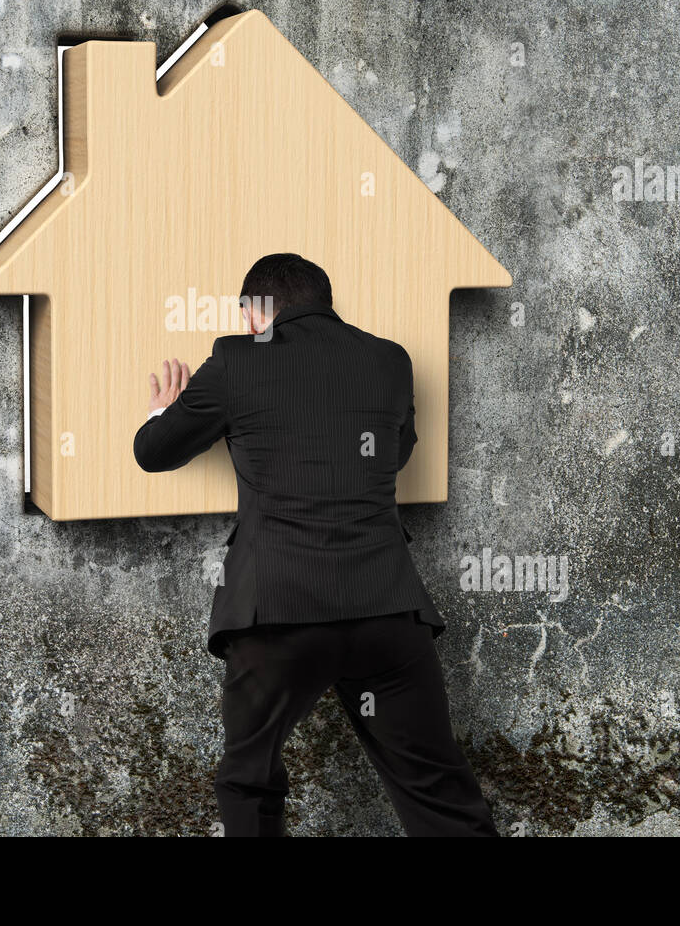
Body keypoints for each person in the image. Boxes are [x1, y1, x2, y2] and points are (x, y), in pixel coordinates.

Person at [133, 252, 497, 837]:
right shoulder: (388, 360)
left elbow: (154, 452)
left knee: (250, 783)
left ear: (254, 314)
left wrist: (164, 411)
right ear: (326, 304)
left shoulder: (233, 360)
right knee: (437, 789)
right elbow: (396, 455)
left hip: (278, 613)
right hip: (385, 611)